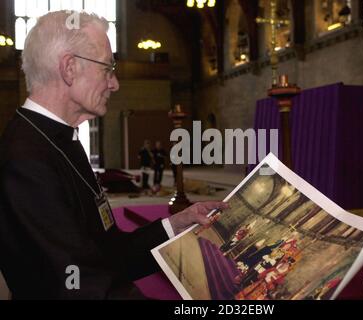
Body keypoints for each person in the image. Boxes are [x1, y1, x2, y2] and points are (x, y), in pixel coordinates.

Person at [0, 11, 227, 300]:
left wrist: (176, 224)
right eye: (108, 68)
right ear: (69, 68)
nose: (115, 83)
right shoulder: (26, 160)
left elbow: (108, 254)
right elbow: (83, 287)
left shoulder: (58, 141)